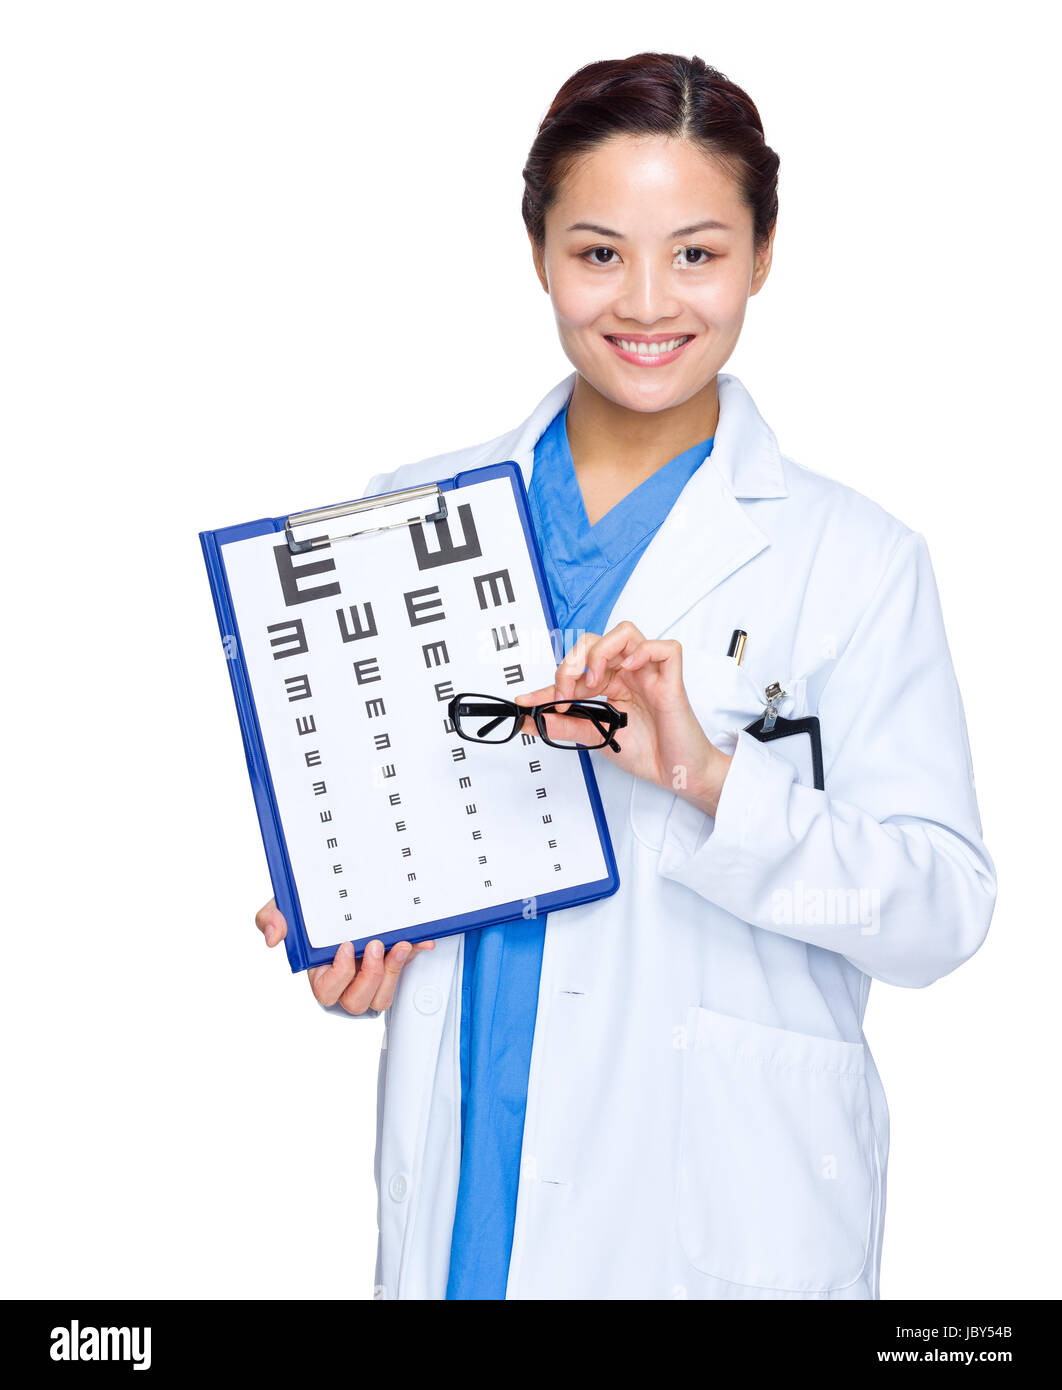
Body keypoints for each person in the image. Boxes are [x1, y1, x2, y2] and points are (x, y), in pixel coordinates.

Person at [254, 52, 996, 1301]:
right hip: (467, 1181)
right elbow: (392, 833)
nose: (647, 301)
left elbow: (942, 913)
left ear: (764, 254)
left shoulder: (853, 561)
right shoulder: (399, 518)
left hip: (717, 1218)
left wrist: (711, 778)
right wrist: (354, 942)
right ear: (538, 247)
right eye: (599, 252)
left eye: (697, 253)